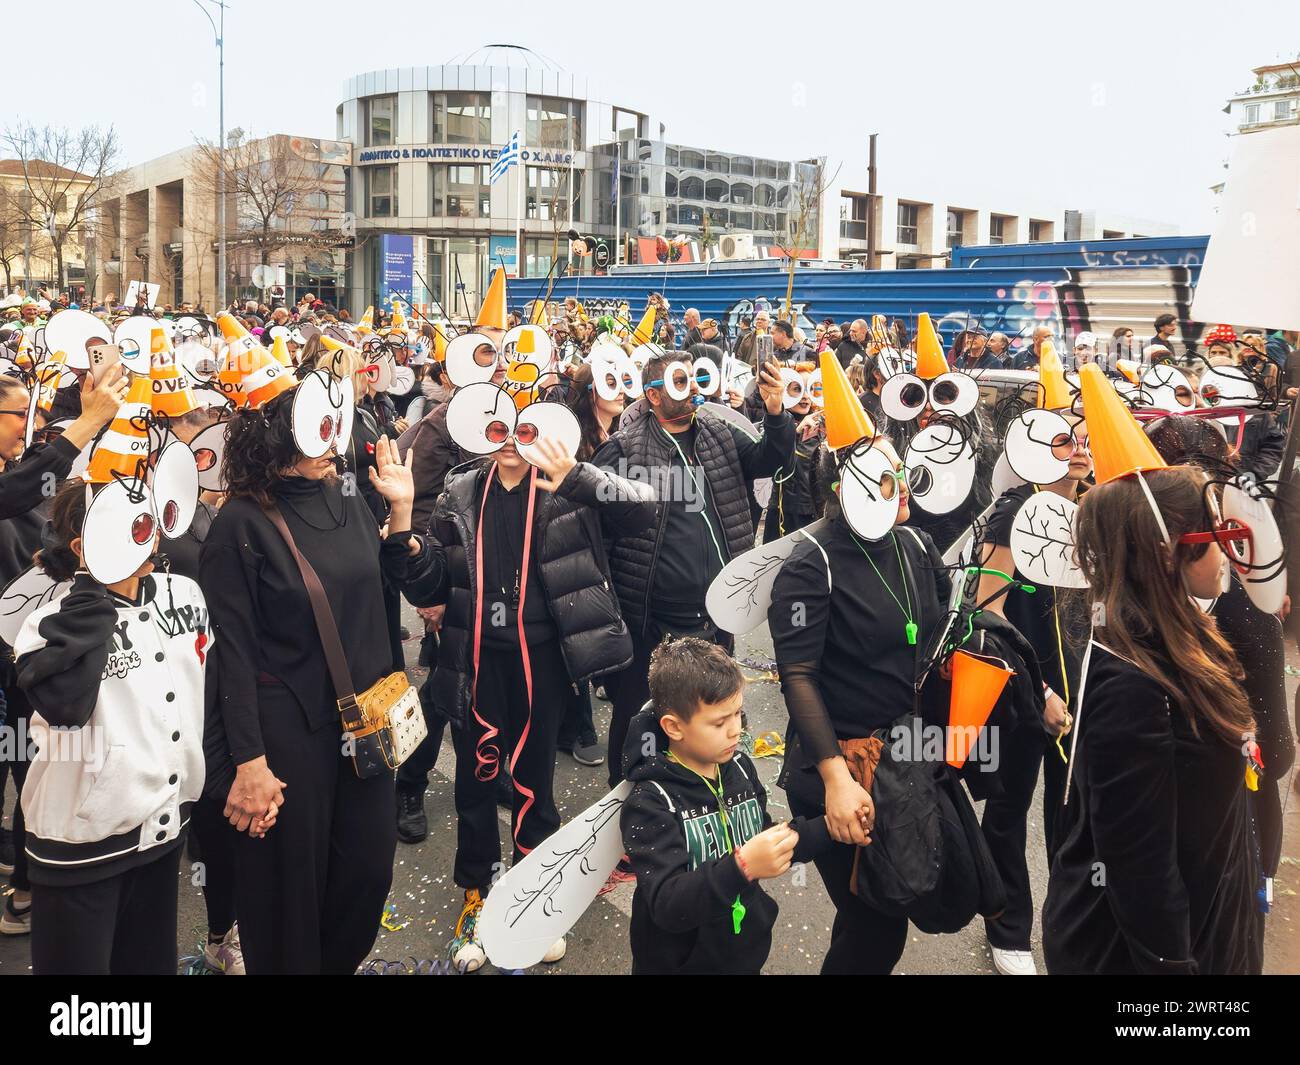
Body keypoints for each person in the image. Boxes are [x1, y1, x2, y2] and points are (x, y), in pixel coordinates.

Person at [201, 394, 445, 974]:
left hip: (366, 727)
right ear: (274, 437)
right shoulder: (240, 522)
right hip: (287, 738)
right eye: (313, 428)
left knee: (366, 874)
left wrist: (402, 515)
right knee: (289, 897)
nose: (331, 440)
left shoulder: (347, 495)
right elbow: (229, 656)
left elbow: (385, 586)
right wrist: (249, 762)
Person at [422, 398, 655, 970]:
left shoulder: (565, 484)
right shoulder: (459, 491)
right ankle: (477, 898)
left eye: (521, 428)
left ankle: (532, 903)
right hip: (476, 656)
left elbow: (643, 513)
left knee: (534, 778)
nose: (508, 439)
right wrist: (406, 544)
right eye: (496, 427)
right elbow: (431, 571)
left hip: (542, 656)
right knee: (476, 779)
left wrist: (579, 475)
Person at [1043, 367, 1261, 974]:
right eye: (1214, 534)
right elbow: (1140, 874)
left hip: (1214, 913)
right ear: (1170, 553)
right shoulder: (1131, 688)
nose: (1226, 548)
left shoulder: (1184, 636)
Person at [769, 426, 950, 974]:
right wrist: (835, 780)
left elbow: (948, 633)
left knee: (873, 914)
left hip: (905, 762)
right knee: (876, 924)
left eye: (904, 476)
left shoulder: (916, 544)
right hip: (844, 766)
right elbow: (797, 676)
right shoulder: (811, 561)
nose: (904, 489)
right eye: (888, 478)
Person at [15, 479, 210, 974]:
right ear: (82, 546)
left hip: (164, 825)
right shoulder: (48, 624)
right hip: (82, 841)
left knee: (146, 968)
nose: (149, 537)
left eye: (148, 520)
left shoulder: (183, 591)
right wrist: (93, 583)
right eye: (129, 528)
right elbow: (65, 706)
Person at [596, 351, 795, 788]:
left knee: (710, 714)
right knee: (640, 719)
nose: (692, 388)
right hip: (650, 620)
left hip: (716, 615)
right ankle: (628, 801)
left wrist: (776, 411)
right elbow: (594, 524)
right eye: (679, 380)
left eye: (694, 378)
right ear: (652, 395)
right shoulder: (625, 448)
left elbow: (775, 463)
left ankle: (701, 802)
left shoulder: (720, 435)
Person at [0, 367, 129, 939]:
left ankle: (28, 878)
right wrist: (84, 424)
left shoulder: (21, 469)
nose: (26, 426)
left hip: (23, 652)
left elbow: (37, 498)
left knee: (34, 763)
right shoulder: (18, 478)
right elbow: (18, 492)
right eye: (16, 414)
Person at [975, 359, 1092, 976]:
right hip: (1019, 694)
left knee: (1074, 817)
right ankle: (1008, 926)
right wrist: (1039, 688)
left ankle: (1069, 931)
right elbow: (987, 612)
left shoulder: (1102, 512)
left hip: (1084, 694)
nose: (1077, 448)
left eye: (1085, 435)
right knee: (1008, 807)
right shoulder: (1007, 515)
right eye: (1062, 436)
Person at [620, 638, 829, 974]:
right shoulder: (651, 800)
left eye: (738, 713)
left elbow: (763, 836)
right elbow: (667, 903)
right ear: (673, 727)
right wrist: (743, 866)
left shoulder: (742, 768)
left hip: (743, 953)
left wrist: (830, 827)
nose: (736, 730)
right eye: (719, 722)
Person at [554, 363, 626, 767]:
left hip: (609, 550)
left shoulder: (618, 434)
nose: (620, 391)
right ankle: (580, 727)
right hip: (576, 551)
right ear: (589, 391)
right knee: (577, 633)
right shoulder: (574, 438)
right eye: (611, 383)